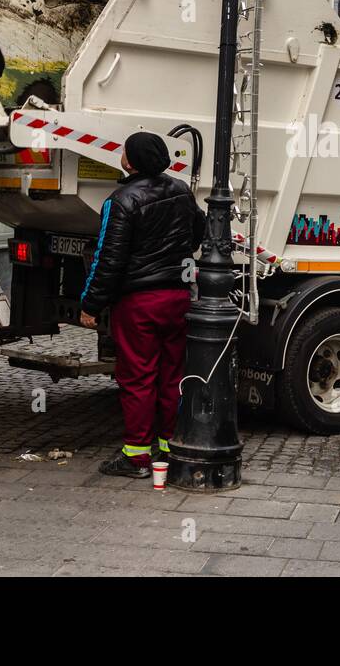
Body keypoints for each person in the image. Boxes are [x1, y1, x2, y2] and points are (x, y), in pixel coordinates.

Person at [80, 132, 205, 479]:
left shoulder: (121, 201)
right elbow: (199, 230)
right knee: (171, 375)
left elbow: (108, 259)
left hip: (139, 304)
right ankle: (169, 447)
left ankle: (136, 457)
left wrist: (91, 304)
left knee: (137, 378)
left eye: (124, 151)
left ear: (130, 161)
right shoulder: (181, 189)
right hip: (178, 298)